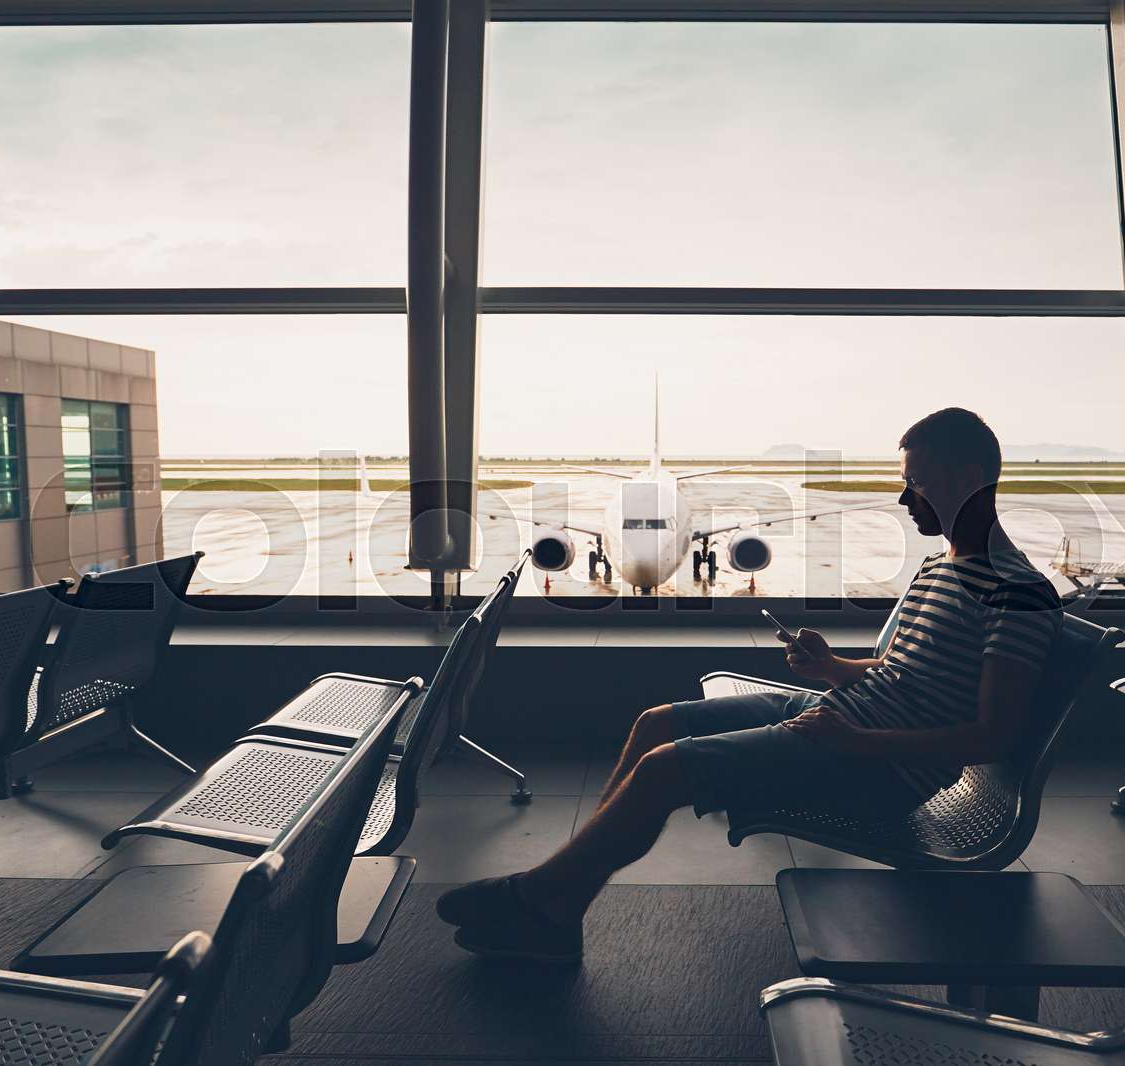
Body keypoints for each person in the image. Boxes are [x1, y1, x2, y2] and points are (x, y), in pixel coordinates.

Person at [437, 407, 1063, 962]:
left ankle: (540, 900)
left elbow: (994, 736)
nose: (905, 500)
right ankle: (559, 895)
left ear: (969, 478)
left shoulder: (1018, 591)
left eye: (917, 484)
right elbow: (910, 674)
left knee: (662, 769)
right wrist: (835, 670)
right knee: (656, 722)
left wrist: (855, 742)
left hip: (880, 767)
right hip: (843, 713)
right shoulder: (941, 567)